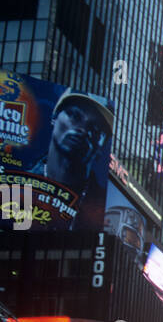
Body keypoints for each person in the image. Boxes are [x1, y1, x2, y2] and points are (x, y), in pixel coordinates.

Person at [28, 90, 113, 230]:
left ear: (103, 146)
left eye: (96, 128)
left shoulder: (102, 209)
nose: (83, 130)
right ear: (54, 118)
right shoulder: (13, 184)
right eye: (75, 115)